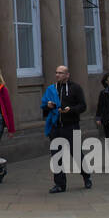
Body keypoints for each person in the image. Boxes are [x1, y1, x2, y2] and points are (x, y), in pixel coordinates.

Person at [42, 64, 88, 193]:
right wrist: (48, 106)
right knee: (56, 156)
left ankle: (86, 176)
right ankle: (59, 184)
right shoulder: (52, 89)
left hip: (71, 126)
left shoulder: (75, 88)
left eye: (61, 73)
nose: (58, 75)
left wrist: (71, 110)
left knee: (76, 153)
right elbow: (44, 108)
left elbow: (83, 106)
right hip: (56, 127)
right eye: (56, 72)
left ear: (67, 75)